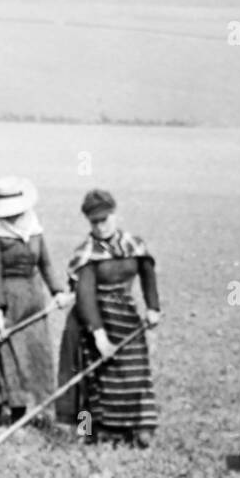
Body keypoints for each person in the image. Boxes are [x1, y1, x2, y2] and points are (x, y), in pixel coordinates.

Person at [55, 189, 160, 447]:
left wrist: (153, 307)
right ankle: (89, 431)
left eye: (105, 220)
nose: (101, 227)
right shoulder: (87, 254)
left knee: (134, 373)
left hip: (127, 317)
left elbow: (148, 276)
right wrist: (99, 335)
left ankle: (139, 429)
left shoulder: (134, 245)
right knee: (93, 380)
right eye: (95, 222)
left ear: (115, 215)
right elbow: (86, 295)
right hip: (94, 319)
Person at [0, 177, 72, 424]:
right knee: (6, 356)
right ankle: (8, 411)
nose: (13, 216)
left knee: (33, 353)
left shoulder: (33, 226)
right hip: (0, 298)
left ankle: (33, 408)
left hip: (31, 298)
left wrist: (57, 291)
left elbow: (45, 262)